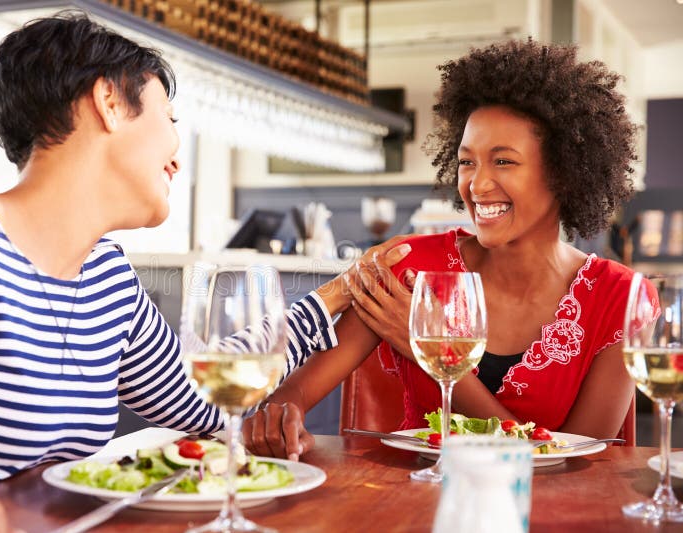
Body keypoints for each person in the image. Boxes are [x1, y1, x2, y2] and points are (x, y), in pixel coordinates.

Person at [0, 12, 412, 533]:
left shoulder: (107, 276)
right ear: (109, 102)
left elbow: (202, 392)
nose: (177, 158)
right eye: (170, 118)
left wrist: (343, 290)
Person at [243, 38, 644, 460]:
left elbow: (576, 460)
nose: (477, 184)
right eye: (467, 161)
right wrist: (278, 414)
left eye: (503, 161)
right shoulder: (409, 265)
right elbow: (293, 395)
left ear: (564, 172)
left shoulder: (621, 299)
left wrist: (429, 351)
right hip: (417, 504)